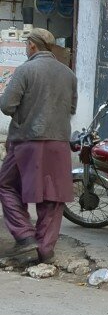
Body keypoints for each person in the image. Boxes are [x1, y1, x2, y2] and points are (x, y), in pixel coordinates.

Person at [0, 28, 77, 266]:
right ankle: (44, 250)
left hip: (26, 141)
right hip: (59, 142)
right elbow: (72, 108)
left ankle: (25, 237)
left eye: (26, 44)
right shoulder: (68, 74)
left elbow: (6, 105)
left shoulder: (26, 70)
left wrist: (26, 115)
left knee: (6, 185)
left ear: (32, 46)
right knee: (52, 197)